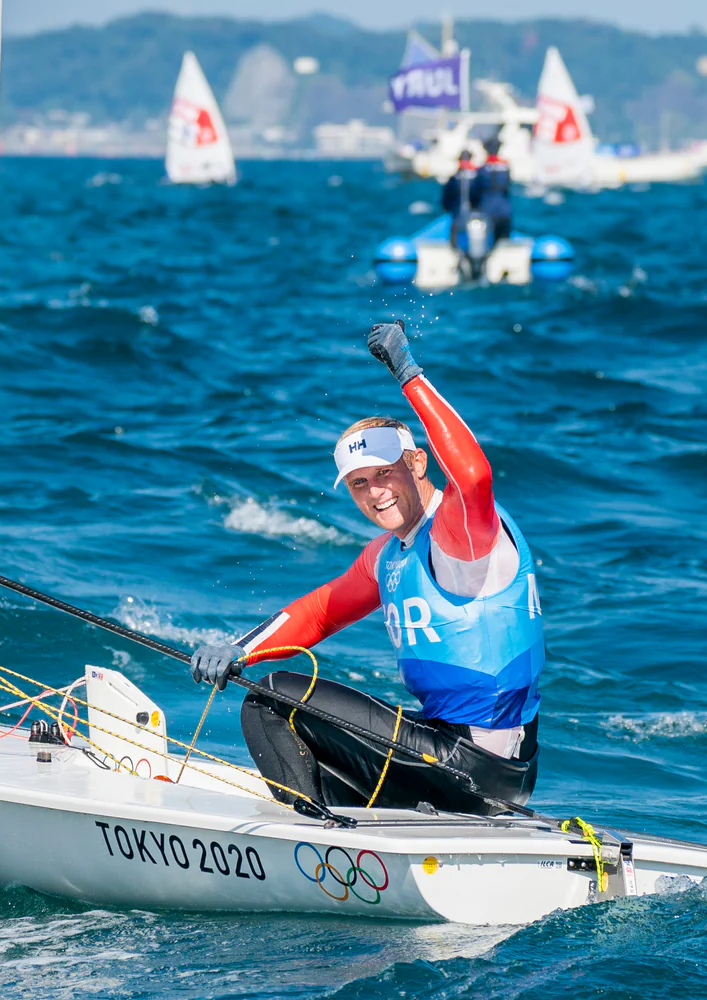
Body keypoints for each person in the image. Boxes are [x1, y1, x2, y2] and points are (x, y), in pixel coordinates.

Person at [189, 321, 544, 815]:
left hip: (473, 763)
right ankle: (354, 827)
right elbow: (320, 612)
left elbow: (473, 476)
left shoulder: (459, 532)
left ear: (417, 464)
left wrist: (409, 374)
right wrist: (241, 651)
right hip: (471, 764)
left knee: (270, 699)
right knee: (313, 744)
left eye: (384, 473)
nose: (375, 493)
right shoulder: (387, 555)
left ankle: (314, 842)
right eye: (359, 483)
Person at [439, 149, 483, 250]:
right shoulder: (475, 177)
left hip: (463, 214)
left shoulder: (456, 177)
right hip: (466, 214)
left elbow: (447, 197)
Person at [477, 136, 513, 243]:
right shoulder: (505, 168)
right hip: (504, 211)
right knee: (504, 242)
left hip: (487, 211)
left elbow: (476, 190)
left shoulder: (482, 169)